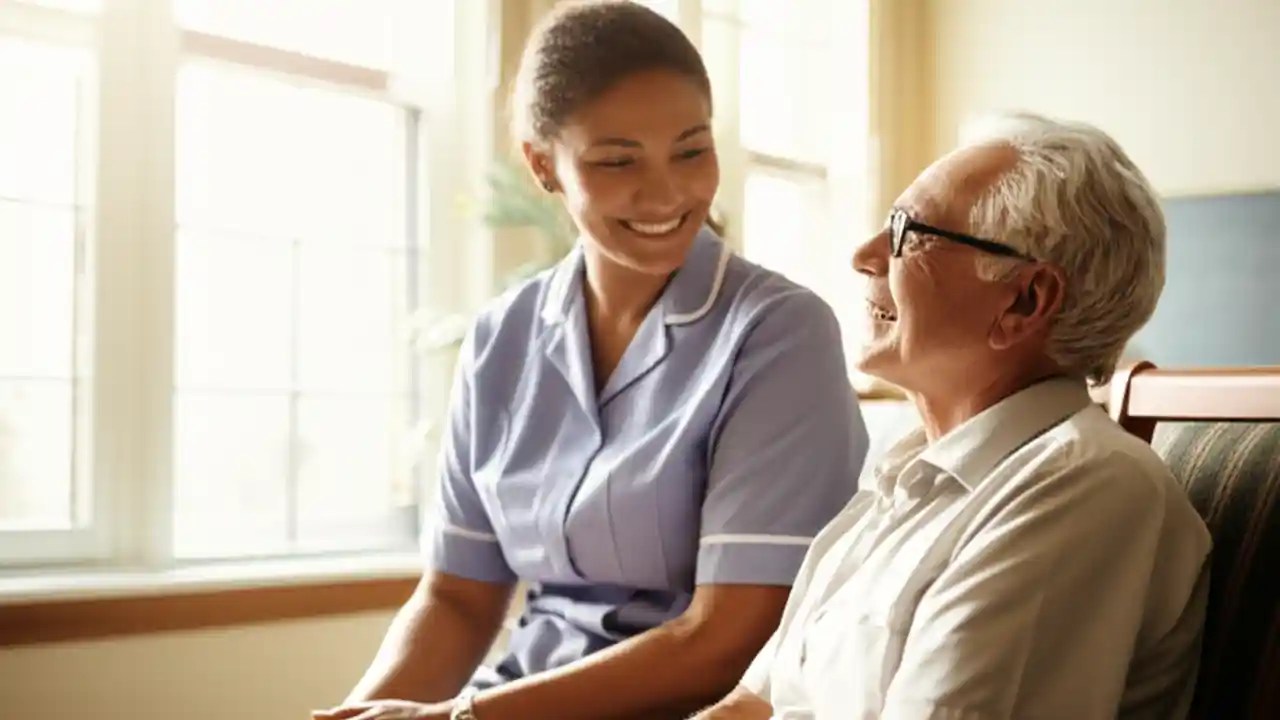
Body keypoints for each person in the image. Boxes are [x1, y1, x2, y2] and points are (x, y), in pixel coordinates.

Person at [314, 3, 868, 719]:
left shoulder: (779, 334)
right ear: (544, 165)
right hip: (507, 701)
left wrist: (463, 719)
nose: (668, 193)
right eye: (617, 160)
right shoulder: (499, 341)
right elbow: (457, 597)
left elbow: (726, 639)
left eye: (692, 150)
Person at [697, 113, 1212, 719]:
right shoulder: (906, 471)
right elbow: (754, 704)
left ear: (1024, 300)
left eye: (905, 232)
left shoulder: (1082, 485)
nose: (864, 256)